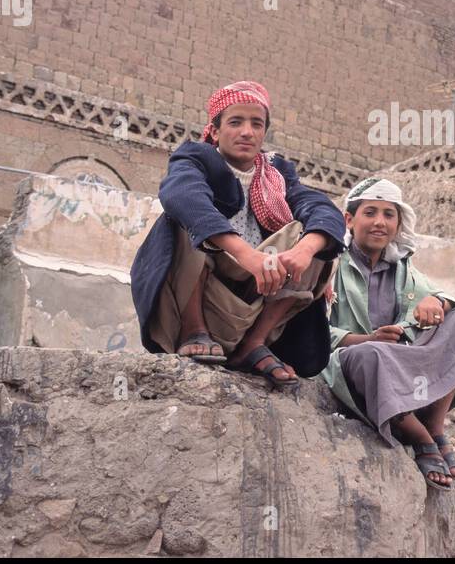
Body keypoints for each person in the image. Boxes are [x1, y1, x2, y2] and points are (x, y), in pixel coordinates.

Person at [130, 81, 345, 386]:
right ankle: (194, 329)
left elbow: (324, 211)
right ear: (215, 131)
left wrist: (305, 250)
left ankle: (254, 344)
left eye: (256, 124)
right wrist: (247, 256)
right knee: (184, 217)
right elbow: (181, 194)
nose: (247, 132)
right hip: (201, 301)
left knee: (316, 238)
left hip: (252, 304)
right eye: (235, 122)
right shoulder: (195, 159)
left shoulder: (278, 175)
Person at [321, 177, 455, 490]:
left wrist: (436, 301)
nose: (380, 222)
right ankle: (420, 438)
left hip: (399, 357)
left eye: (388, 215)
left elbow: (440, 297)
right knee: (373, 354)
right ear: (349, 220)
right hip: (353, 358)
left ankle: (434, 424)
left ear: (398, 224)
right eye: (370, 213)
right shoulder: (330, 263)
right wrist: (367, 339)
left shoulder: (402, 266)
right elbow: (313, 331)